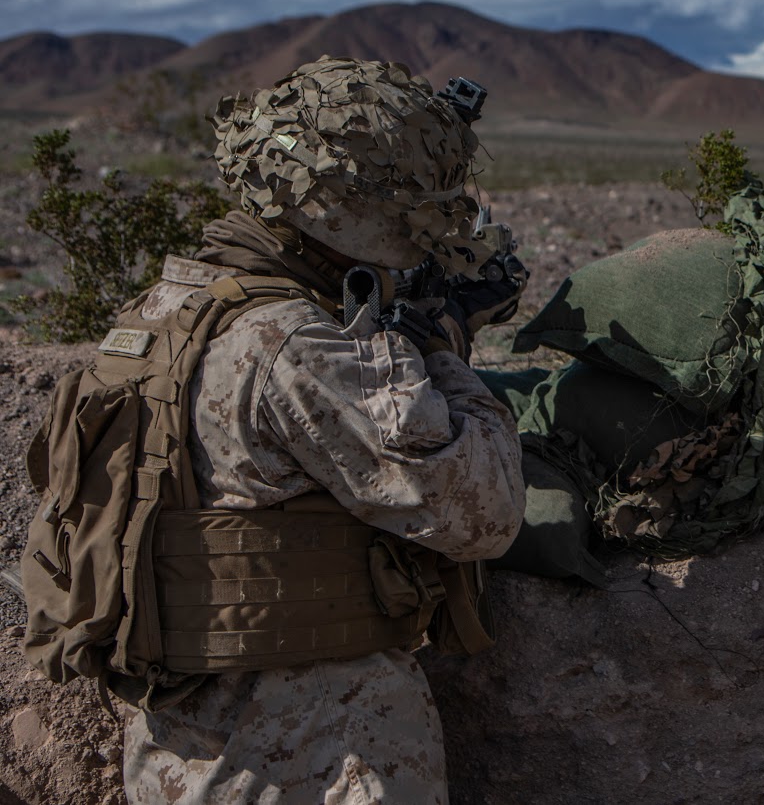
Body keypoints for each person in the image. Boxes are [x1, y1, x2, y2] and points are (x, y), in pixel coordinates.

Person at [26, 57, 527, 803]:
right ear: (363, 209)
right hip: (315, 754)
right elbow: (482, 511)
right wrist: (437, 348)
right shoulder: (296, 343)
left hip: (181, 752)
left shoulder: (165, 310)